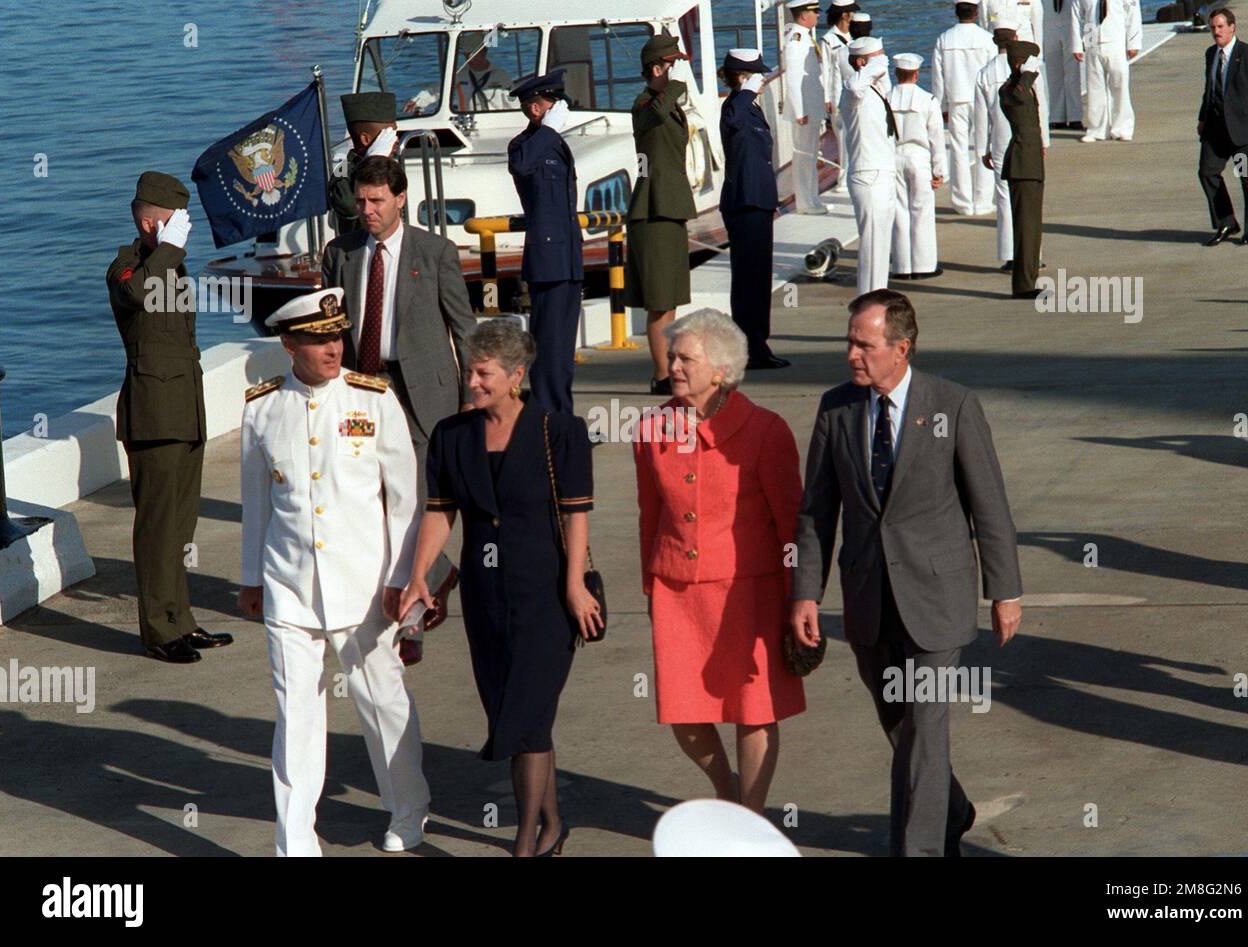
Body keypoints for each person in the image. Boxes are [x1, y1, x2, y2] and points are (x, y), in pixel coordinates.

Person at [791, 289, 1023, 857]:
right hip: (868, 597)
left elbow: (988, 505)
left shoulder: (954, 405)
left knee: (925, 724)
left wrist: (1005, 591)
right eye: (849, 343)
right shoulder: (836, 409)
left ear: (902, 347)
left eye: (863, 345)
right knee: (900, 723)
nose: (851, 355)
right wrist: (805, 595)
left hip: (938, 598)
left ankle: (918, 850)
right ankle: (952, 806)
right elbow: (817, 511)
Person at [237, 288, 430, 857]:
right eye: (319, 339)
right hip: (289, 587)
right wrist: (252, 577)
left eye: (337, 336)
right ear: (289, 343)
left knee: (381, 703)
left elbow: (405, 500)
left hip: (366, 585)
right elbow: (257, 504)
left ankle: (409, 807)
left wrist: (401, 579)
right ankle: (294, 841)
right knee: (295, 717)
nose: (332, 348)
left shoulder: (374, 401)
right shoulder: (262, 409)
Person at [400, 320, 600, 857]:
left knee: (528, 716)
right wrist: (421, 575)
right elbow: (441, 512)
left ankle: (524, 843)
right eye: (469, 369)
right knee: (514, 714)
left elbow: (576, 515)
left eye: (483, 372)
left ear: (515, 376)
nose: (471, 381)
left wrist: (576, 584)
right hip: (484, 596)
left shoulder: (560, 432)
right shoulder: (450, 435)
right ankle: (553, 825)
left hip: (547, 596)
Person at [633, 310, 805, 814]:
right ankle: (725, 791)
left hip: (749, 592)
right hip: (676, 593)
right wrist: (650, 586)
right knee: (682, 713)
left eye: (686, 357)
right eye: (672, 356)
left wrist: (800, 598)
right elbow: (650, 516)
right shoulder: (651, 429)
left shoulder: (766, 432)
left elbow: (793, 527)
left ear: (721, 370)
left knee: (752, 710)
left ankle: (750, 816)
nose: (674, 365)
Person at [321, 156, 475, 662]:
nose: (366, 210)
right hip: (364, 389)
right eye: (361, 201)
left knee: (417, 502)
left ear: (400, 199)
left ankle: (412, 620)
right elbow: (330, 329)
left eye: (376, 201)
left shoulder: (435, 252)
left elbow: (463, 327)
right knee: (375, 498)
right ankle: (437, 573)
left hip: (422, 396)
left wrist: (475, 393)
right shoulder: (339, 254)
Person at [106, 171, 231, 664]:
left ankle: (182, 619)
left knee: (180, 526)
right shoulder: (129, 265)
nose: (185, 229)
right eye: (176, 220)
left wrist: (169, 256)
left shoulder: (167, 268)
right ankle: (159, 630)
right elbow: (136, 296)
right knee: (158, 527)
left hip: (185, 411)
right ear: (151, 220)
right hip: (154, 414)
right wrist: (166, 251)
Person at [626, 34, 698, 396]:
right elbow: (653, 114)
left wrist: (671, 88)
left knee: (668, 299)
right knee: (658, 302)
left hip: (669, 207)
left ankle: (669, 369)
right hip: (651, 209)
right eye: (671, 64)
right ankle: (661, 375)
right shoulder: (644, 105)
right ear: (656, 68)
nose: (677, 70)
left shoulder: (664, 103)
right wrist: (670, 86)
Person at [508, 69, 584, 411]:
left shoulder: (551, 143)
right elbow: (522, 167)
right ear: (537, 108)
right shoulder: (526, 145)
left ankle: (561, 416)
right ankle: (548, 416)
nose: (559, 111)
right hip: (548, 260)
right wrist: (550, 130)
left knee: (564, 350)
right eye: (553, 104)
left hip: (568, 257)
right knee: (549, 346)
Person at [719, 49, 788, 371]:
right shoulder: (735, 105)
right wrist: (745, 90)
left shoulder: (752, 109)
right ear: (743, 77)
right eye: (756, 75)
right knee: (748, 279)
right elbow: (732, 117)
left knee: (759, 279)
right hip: (744, 201)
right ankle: (748, 347)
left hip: (758, 200)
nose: (763, 80)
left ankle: (757, 344)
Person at [975, 20, 1050, 273]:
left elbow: (981, 115)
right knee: (1028, 206)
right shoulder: (1028, 73)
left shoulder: (985, 73)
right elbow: (1042, 107)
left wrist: (982, 148)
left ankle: (1010, 255)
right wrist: (1044, 141)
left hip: (998, 138)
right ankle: (1032, 256)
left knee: (1005, 198)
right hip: (1024, 138)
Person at [1197, 7, 1248, 247]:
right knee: (1207, 172)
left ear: (1232, 27)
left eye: (1220, 27)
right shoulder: (1211, 54)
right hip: (1216, 132)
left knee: (1246, 178)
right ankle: (1226, 221)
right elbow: (1209, 90)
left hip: (1241, 134)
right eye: (1213, 28)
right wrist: (1202, 118)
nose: (1216, 32)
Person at [841, 37, 898, 295]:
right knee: (872, 248)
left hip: (883, 172)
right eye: (878, 56)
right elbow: (854, 86)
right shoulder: (854, 91)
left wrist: (875, 69)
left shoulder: (875, 87)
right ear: (862, 62)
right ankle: (868, 303)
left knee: (882, 247)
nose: (883, 61)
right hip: (868, 176)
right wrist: (872, 67)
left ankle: (878, 303)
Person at [932, 2, 997, 216]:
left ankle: (962, 202)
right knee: (983, 148)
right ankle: (982, 200)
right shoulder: (986, 38)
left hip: (956, 99)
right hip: (981, 99)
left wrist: (940, 105)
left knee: (958, 149)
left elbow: (938, 78)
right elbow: (992, 73)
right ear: (976, 11)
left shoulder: (944, 38)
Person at [889, 54, 948, 281]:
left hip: (894, 157)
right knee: (921, 212)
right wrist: (939, 171)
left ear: (896, 73)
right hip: (919, 158)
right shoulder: (927, 100)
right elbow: (936, 138)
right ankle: (923, 265)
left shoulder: (886, 98)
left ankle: (902, 267)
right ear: (916, 74)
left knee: (900, 212)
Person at [997, 41, 1048, 298]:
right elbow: (1017, 95)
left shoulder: (1016, 87)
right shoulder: (1012, 89)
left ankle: (1027, 281)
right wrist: (1027, 73)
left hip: (1028, 163)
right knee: (1027, 228)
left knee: (1030, 227)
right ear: (1021, 63)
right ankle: (1024, 286)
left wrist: (1027, 74)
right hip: (1023, 164)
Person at [783, 0, 830, 215]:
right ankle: (805, 202)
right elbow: (792, 78)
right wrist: (800, 111)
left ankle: (812, 198)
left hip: (811, 105)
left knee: (811, 153)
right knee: (803, 154)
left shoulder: (805, 37)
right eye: (815, 13)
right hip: (804, 108)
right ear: (803, 16)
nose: (818, 16)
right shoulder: (796, 40)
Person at [1071, 0, 1142, 143]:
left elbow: (1132, 14)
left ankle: (1123, 128)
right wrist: (1077, 45)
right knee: (1094, 87)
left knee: (1119, 85)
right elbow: (1076, 15)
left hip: (1116, 39)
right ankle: (1096, 129)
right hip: (1091, 38)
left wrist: (1133, 42)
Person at [329, 92, 399, 236]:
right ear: (366, 139)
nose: (395, 141)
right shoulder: (343, 170)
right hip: (359, 252)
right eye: (387, 135)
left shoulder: (390, 166)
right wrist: (372, 163)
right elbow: (349, 206)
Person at [821, 1, 859, 176]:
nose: (854, 16)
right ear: (845, 15)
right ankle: (843, 178)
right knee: (843, 139)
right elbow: (825, 71)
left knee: (855, 137)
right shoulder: (829, 40)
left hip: (855, 94)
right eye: (852, 12)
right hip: (838, 96)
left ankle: (852, 172)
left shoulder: (854, 36)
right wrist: (827, 99)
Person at [1043, 0, 1083, 129]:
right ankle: (1056, 116)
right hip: (1048, 23)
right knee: (1053, 73)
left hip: (1071, 24)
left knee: (1073, 74)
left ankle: (1075, 116)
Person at [455, 34, 515, 112]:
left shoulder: (501, 76)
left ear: (484, 52)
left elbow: (513, 102)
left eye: (473, 54)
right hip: (469, 120)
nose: (469, 58)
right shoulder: (459, 76)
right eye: (466, 54)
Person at [979, 0, 1044, 42]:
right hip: (997, 49)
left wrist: (1038, 57)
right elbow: (984, 24)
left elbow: (1037, 28)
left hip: (1024, 50)